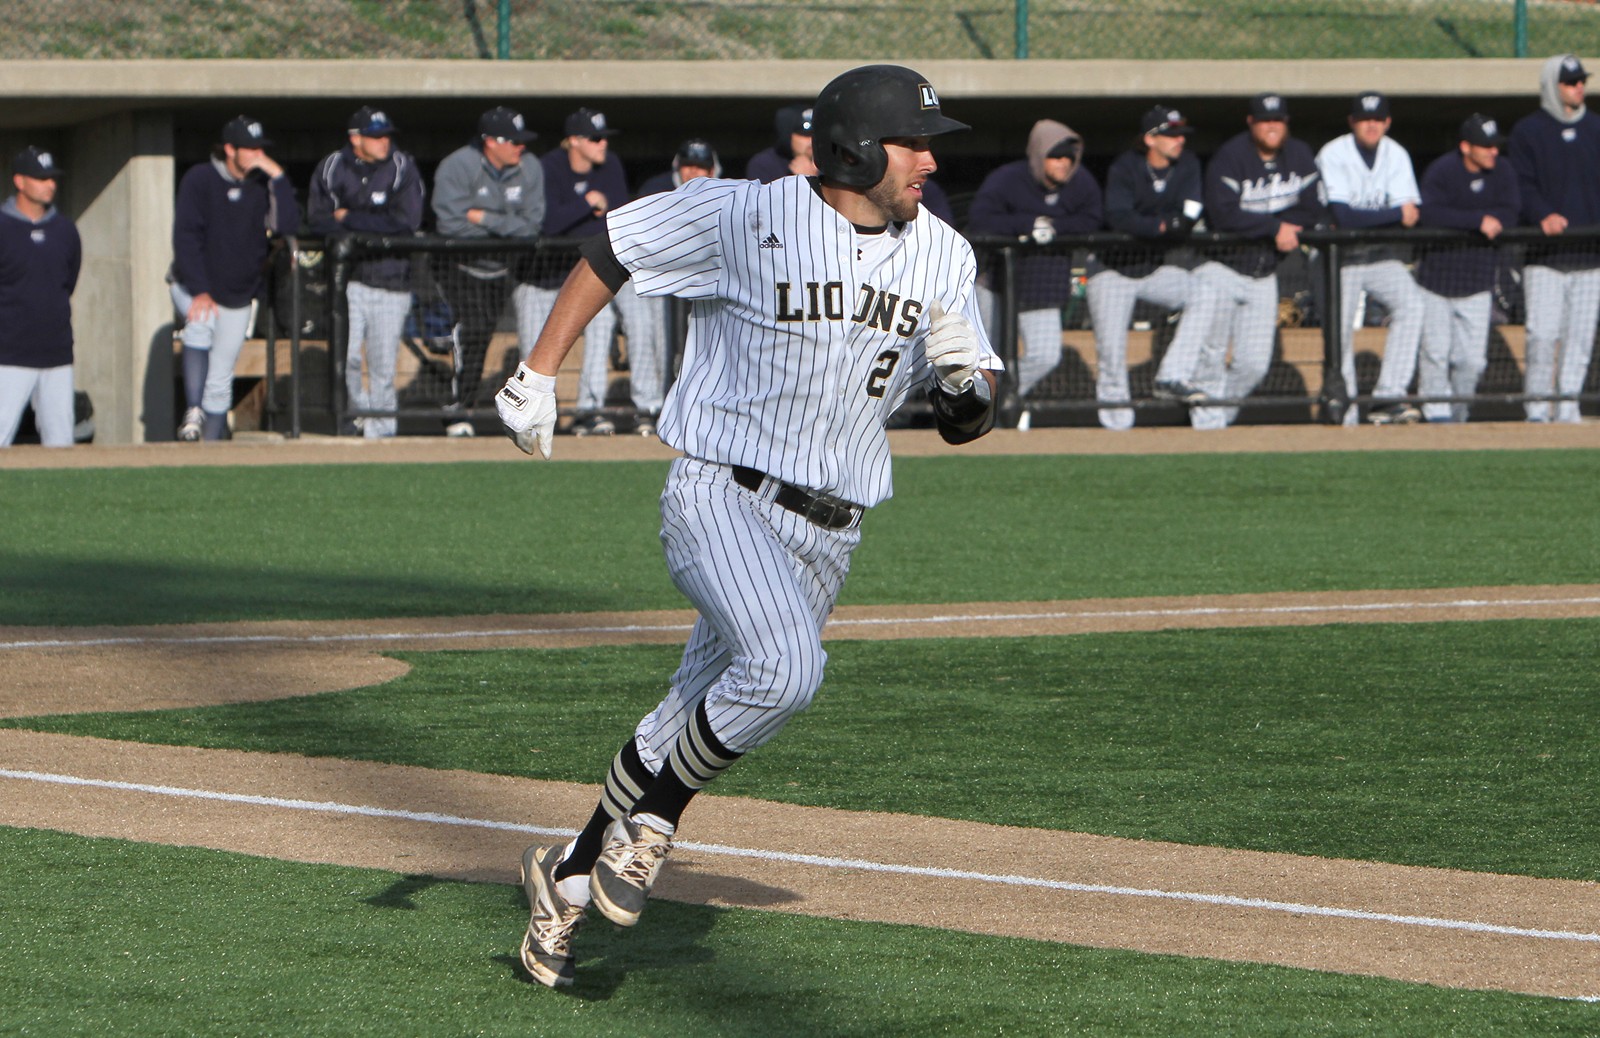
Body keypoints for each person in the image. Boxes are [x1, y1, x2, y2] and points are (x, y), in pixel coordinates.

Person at [493, 63, 1001, 989]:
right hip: (721, 492)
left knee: (679, 719)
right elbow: (615, 245)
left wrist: (967, 387)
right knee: (787, 672)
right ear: (853, 147)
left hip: (832, 530)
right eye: (913, 142)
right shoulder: (747, 214)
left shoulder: (945, 256)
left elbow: (968, 420)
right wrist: (539, 372)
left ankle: (563, 880)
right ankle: (654, 827)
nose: (930, 159)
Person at [524, 107, 664, 436]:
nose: (603, 144)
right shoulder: (550, 167)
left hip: (618, 266)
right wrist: (586, 204)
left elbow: (614, 220)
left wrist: (586, 213)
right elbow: (548, 223)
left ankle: (648, 406)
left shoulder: (610, 165)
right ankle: (590, 410)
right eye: (595, 138)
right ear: (574, 141)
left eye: (605, 138)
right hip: (565, 273)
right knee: (598, 327)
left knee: (642, 323)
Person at [1190, 93, 1324, 430]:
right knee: (1211, 355)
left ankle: (1218, 417)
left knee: (1254, 364)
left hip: (1264, 274)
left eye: (1278, 121)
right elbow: (1223, 215)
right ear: (1251, 123)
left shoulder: (1300, 154)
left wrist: (1282, 225)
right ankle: (1206, 430)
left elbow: (1313, 206)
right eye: (1265, 121)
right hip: (1220, 270)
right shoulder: (1231, 157)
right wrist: (1274, 226)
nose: (1272, 127)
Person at [169, 116, 299, 442]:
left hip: (238, 292)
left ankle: (211, 447)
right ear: (230, 149)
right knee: (200, 324)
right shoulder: (200, 178)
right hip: (193, 285)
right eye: (249, 148)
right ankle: (193, 410)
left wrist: (279, 176)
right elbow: (186, 238)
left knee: (222, 374)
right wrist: (199, 290)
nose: (257, 154)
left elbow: (287, 226)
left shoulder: (261, 184)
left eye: (260, 148)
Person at [1090, 104, 1216, 430]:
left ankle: (1172, 376)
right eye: (1170, 134)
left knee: (1203, 294)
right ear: (1150, 139)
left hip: (1152, 269)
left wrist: (1157, 225)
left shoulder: (1187, 165)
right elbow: (1119, 217)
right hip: (1112, 271)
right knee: (1112, 356)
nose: (1179, 141)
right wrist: (1161, 226)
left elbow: (1188, 217)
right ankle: (1117, 429)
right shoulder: (1126, 167)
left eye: (1181, 134)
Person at [966, 119, 1102, 410]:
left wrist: (1054, 226)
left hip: (1042, 287)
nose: (1064, 163)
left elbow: (1093, 220)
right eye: (1056, 156)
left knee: (1045, 355)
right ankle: (976, 406)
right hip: (995, 284)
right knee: (988, 357)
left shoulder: (1082, 183)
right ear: (1040, 155)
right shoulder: (1008, 178)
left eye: (1069, 157)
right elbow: (980, 219)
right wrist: (1028, 224)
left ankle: (995, 401)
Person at [308, 105, 426, 439]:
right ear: (355, 138)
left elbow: (406, 224)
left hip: (392, 283)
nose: (383, 142)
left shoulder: (402, 167)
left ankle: (382, 434)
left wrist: (349, 218)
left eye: (386, 135)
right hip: (349, 283)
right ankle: (356, 418)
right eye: (375, 136)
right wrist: (372, 221)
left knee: (382, 368)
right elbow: (317, 220)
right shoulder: (333, 166)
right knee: (346, 361)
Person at [431, 105, 543, 437]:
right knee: (471, 331)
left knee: (482, 335)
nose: (520, 147)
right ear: (490, 142)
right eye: (513, 141)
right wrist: (506, 227)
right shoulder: (457, 165)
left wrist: (483, 218)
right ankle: (459, 408)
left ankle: (464, 406)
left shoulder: (530, 166)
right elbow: (449, 224)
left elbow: (532, 226)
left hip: (500, 271)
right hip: (458, 267)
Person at [1317, 92, 1426, 425]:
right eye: (1364, 119)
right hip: (1339, 258)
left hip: (1378, 255)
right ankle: (1344, 414)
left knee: (1412, 305)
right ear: (1352, 122)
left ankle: (1388, 396)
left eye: (1377, 119)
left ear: (1387, 122)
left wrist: (1390, 216)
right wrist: (1394, 212)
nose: (1371, 125)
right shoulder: (1333, 153)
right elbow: (1344, 217)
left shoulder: (1396, 154)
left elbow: (1412, 216)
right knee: (1339, 336)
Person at [1506, 53, 1600, 423]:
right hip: (1545, 256)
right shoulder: (1529, 131)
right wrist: (1541, 214)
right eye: (1570, 82)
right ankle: (1537, 408)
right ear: (1552, 85)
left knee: (1579, 339)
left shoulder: (1596, 128)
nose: (1578, 88)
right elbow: (1521, 184)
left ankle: (1567, 406)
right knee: (1542, 336)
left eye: (1581, 82)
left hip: (1591, 255)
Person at [1414, 115, 1521, 423]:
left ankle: (1458, 417)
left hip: (1476, 283)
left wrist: (1489, 220)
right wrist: (1477, 222)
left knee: (1472, 362)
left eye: (1494, 146)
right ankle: (1436, 417)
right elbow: (1429, 212)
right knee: (1435, 355)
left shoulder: (1503, 171)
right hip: (1435, 283)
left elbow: (1511, 211)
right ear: (1465, 147)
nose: (1492, 152)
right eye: (1485, 146)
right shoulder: (1443, 170)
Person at [0, 147, 81, 448]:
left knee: (61, 444)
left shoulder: (66, 230)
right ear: (19, 181)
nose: (51, 184)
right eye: (41, 178)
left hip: (57, 354)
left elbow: (67, 282)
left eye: (53, 178)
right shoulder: (3, 228)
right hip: (8, 355)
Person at [744, 104, 816, 183]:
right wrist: (805, 181)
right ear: (787, 135)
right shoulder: (764, 164)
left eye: (815, 134)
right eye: (804, 134)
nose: (811, 140)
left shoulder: (826, 163)